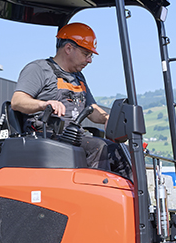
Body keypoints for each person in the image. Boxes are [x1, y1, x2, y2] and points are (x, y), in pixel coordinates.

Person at [10, 22, 127, 174]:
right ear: (68, 48)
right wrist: (44, 104)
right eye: (86, 54)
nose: (90, 60)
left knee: (120, 151)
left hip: (73, 136)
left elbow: (91, 109)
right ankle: (94, 194)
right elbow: (17, 101)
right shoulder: (39, 69)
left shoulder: (78, 78)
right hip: (45, 137)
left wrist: (107, 118)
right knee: (99, 147)